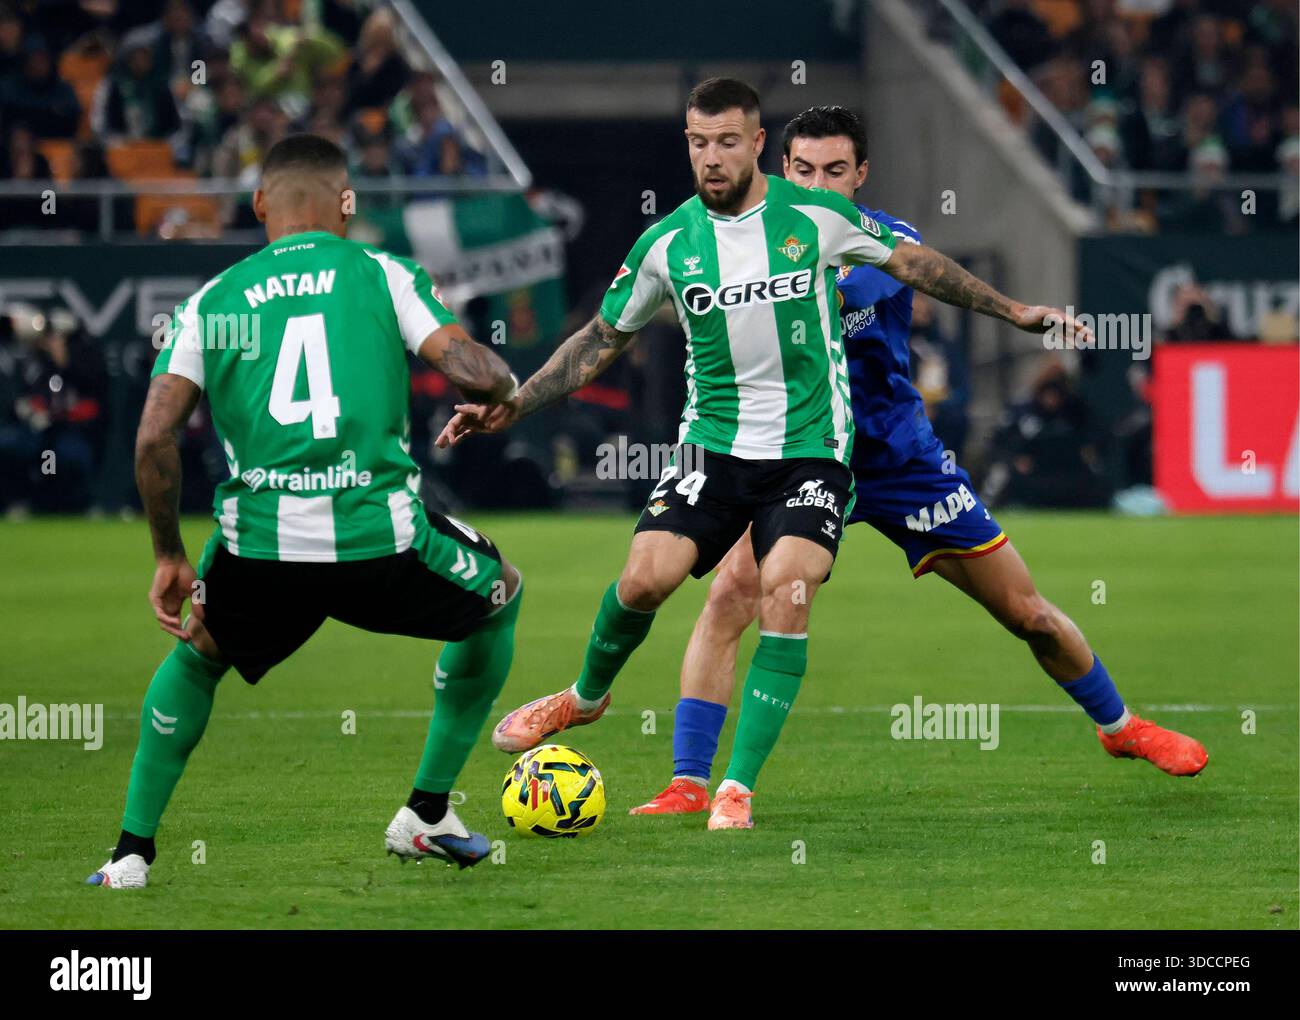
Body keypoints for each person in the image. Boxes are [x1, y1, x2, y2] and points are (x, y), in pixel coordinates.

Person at [437, 79, 1106, 831]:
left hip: (811, 452)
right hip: (713, 448)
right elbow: (600, 340)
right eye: (698, 143)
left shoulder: (817, 218)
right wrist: (514, 403)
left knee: (786, 591)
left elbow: (919, 265)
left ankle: (736, 789)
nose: (711, 157)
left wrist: (1017, 312)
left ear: (758, 145)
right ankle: (585, 698)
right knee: (643, 581)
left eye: (727, 141)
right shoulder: (667, 242)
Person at [625, 105, 1204, 822]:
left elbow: (863, 281)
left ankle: (1121, 727)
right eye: (803, 170)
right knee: (728, 598)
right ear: (782, 170)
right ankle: (689, 783)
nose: (819, 184)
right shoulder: (750, 246)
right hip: (796, 458)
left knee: (1028, 614)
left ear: (861, 174)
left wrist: (1017, 311)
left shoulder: (885, 245)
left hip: (899, 463)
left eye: (836, 171)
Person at [87, 134, 524, 889]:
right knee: (500, 595)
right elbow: (468, 368)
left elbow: (154, 436)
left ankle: (129, 854)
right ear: (346, 203)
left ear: (260, 204)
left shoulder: (211, 300)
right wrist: (504, 386)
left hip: (259, 552)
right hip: (377, 544)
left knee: (199, 654)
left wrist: (168, 554)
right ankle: (425, 812)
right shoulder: (382, 274)